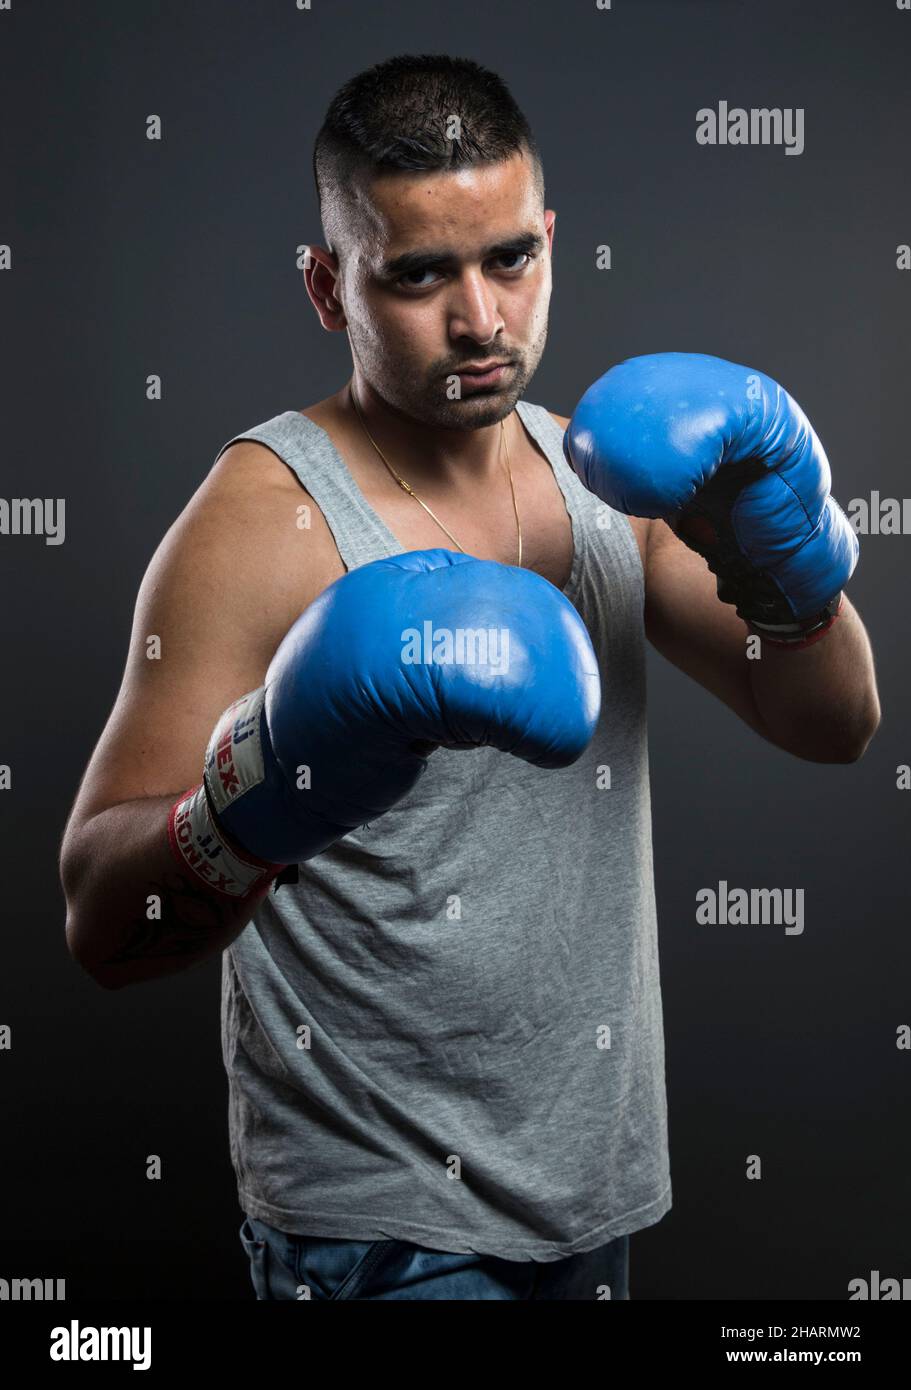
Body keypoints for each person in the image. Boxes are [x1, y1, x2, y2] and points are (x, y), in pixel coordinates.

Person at [60, 53, 880, 1301]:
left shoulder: (609, 483)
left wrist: (785, 562)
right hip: (375, 1226)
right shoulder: (260, 520)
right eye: (418, 275)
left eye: (508, 258)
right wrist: (264, 783)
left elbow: (834, 726)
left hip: (591, 1193)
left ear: (551, 238)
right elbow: (102, 927)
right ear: (327, 287)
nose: (482, 321)